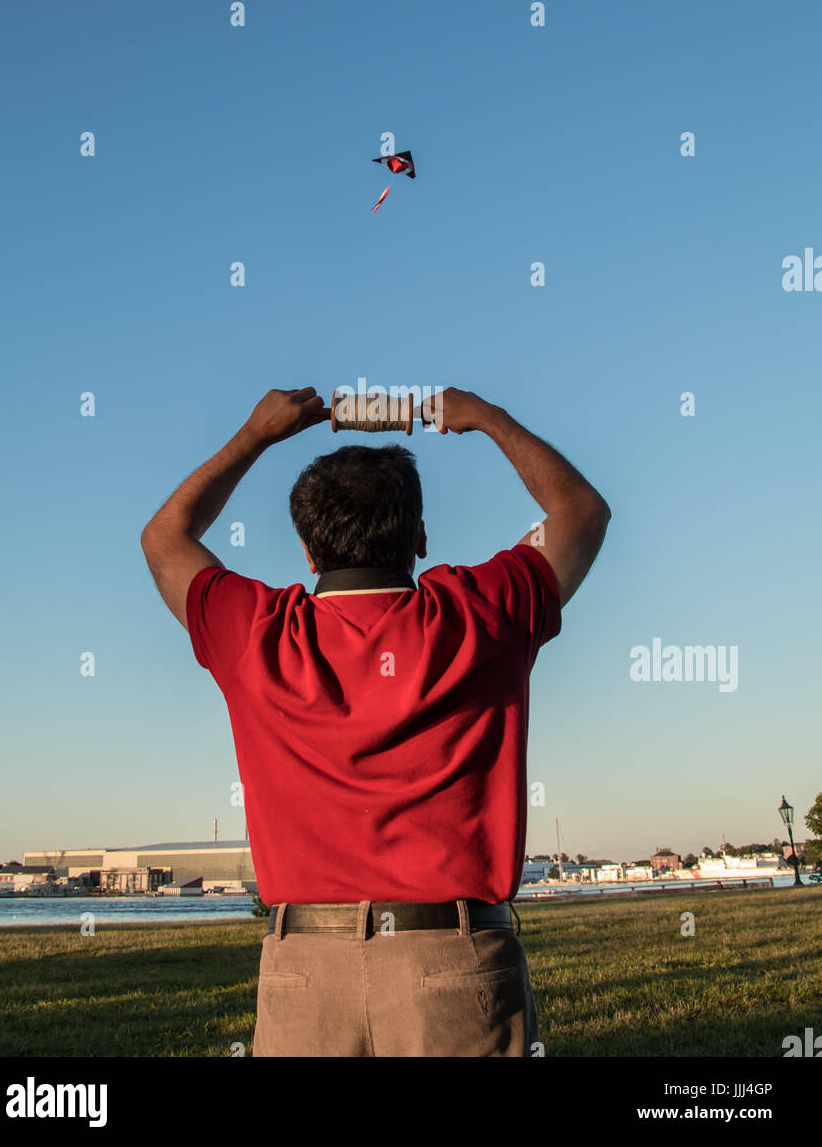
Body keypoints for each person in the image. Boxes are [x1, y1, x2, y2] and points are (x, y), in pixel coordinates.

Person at [140, 385, 610, 1057]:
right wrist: (486, 419)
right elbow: (581, 511)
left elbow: (164, 538)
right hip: (454, 961)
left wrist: (255, 435)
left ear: (306, 549)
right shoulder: (482, 612)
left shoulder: (257, 632)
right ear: (418, 536)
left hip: (305, 970)